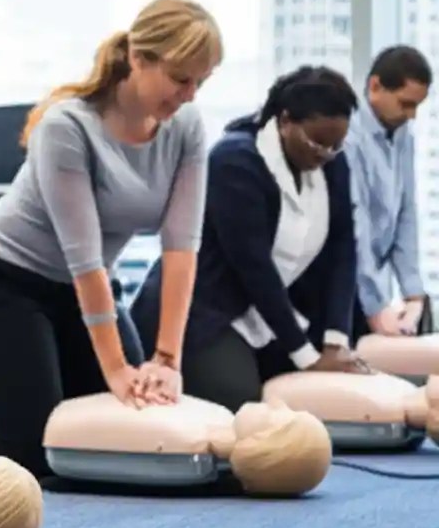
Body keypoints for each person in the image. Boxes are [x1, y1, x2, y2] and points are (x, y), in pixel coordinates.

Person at [0, 0, 223, 480]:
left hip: (85, 294)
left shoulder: (186, 127)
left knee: (125, 427)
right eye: (181, 79)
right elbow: (85, 261)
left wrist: (166, 360)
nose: (190, 95)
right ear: (138, 58)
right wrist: (116, 370)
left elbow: (181, 248)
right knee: (41, 452)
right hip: (3, 281)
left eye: (201, 82)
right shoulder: (67, 126)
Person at [131, 66, 371, 414]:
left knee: (325, 391)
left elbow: (343, 248)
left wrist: (335, 341)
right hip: (203, 311)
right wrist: (306, 356)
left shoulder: (330, 161)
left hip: (267, 310)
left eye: (336, 145)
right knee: (239, 399)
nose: (325, 154)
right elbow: (254, 269)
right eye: (318, 142)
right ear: (285, 121)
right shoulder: (235, 162)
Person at [344, 46, 433, 340]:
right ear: (375, 86)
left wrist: (413, 293)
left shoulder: (403, 134)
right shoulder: (348, 137)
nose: (412, 115)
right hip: (345, 288)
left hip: (375, 290)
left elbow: (405, 214)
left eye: (417, 106)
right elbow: (355, 225)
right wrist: (375, 307)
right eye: (405, 104)